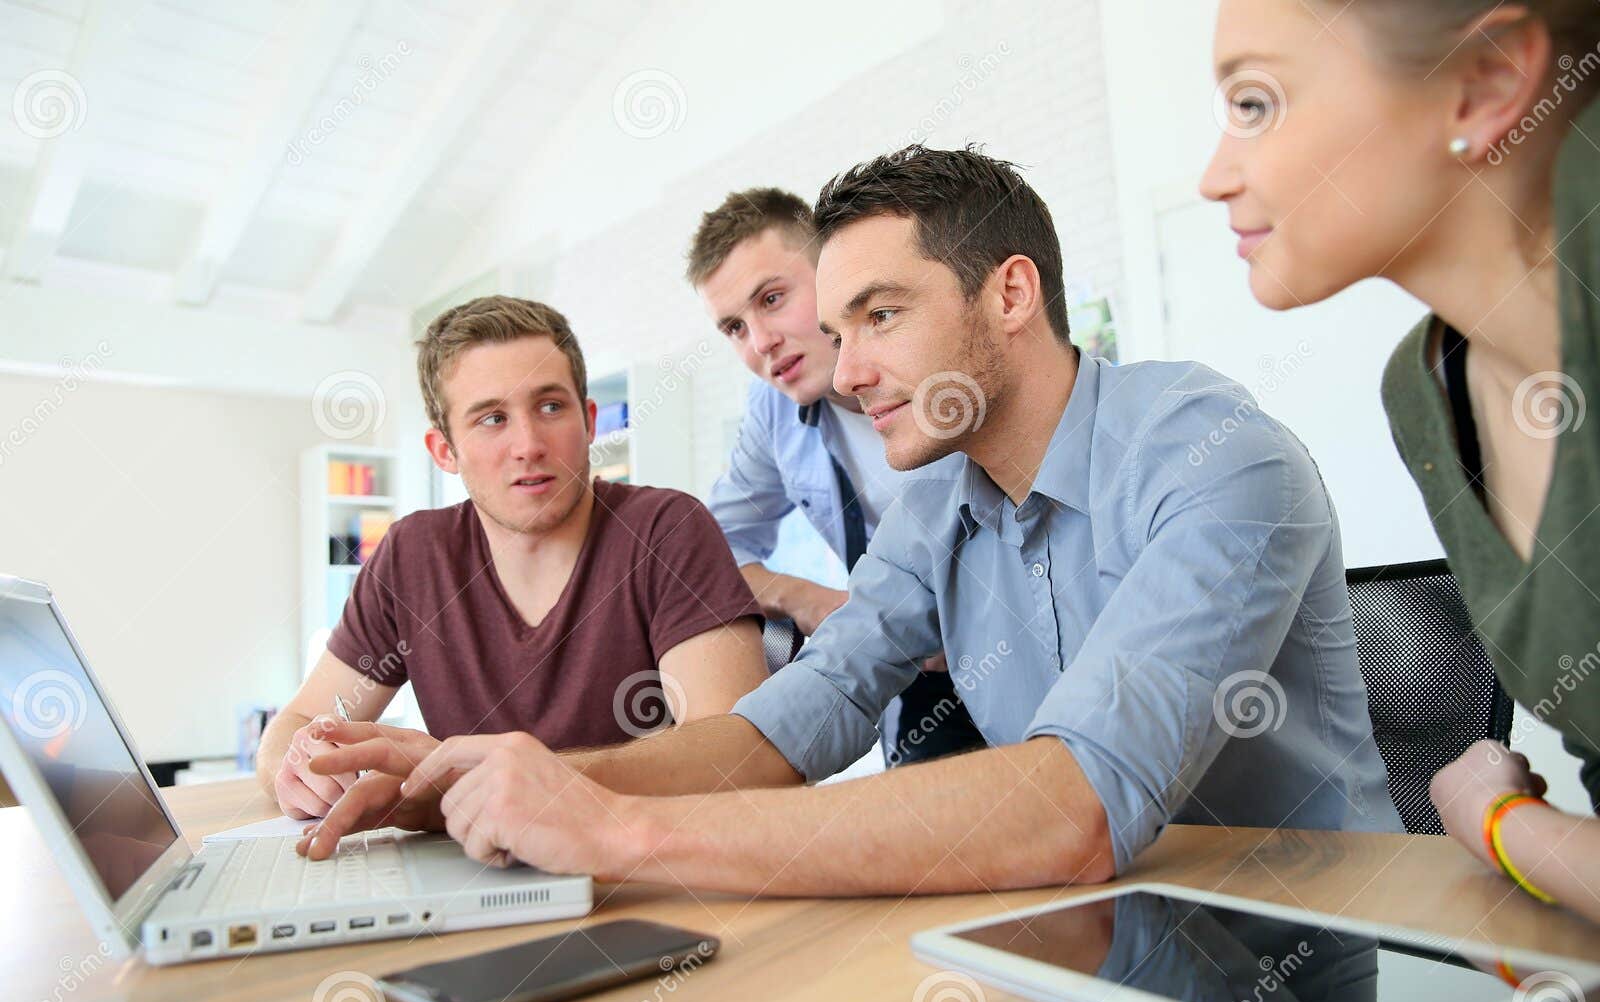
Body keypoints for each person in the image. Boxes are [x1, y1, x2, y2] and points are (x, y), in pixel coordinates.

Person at [298, 147, 1400, 894]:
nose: (849, 368)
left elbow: (1073, 807)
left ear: (1010, 295)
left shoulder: (1213, 455)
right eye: (840, 327)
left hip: (1338, 942)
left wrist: (617, 828)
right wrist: (484, 776)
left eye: (881, 316)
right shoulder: (936, 507)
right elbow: (781, 732)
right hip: (1110, 929)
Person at [1201, 0, 1600, 921]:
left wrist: (1502, 823)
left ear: (1487, 83)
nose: (1214, 175)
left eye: (1255, 103)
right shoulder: (1426, 390)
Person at [256, 295, 768, 819]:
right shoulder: (411, 556)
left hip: (644, 858)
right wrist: (298, 773)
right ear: (444, 451)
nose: (528, 444)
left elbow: (737, 756)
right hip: (466, 860)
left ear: (589, 421)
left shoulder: (668, 530)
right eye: (492, 418)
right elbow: (295, 724)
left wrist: (476, 785)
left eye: (551, 407)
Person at [691, 187, 985, 766]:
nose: (761, 342)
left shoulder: (940, 355)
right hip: (920, 676)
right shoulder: (773, 411)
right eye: (734, 328)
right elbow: (706, 556)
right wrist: (809, 600)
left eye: (773, 299)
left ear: (831, 273)